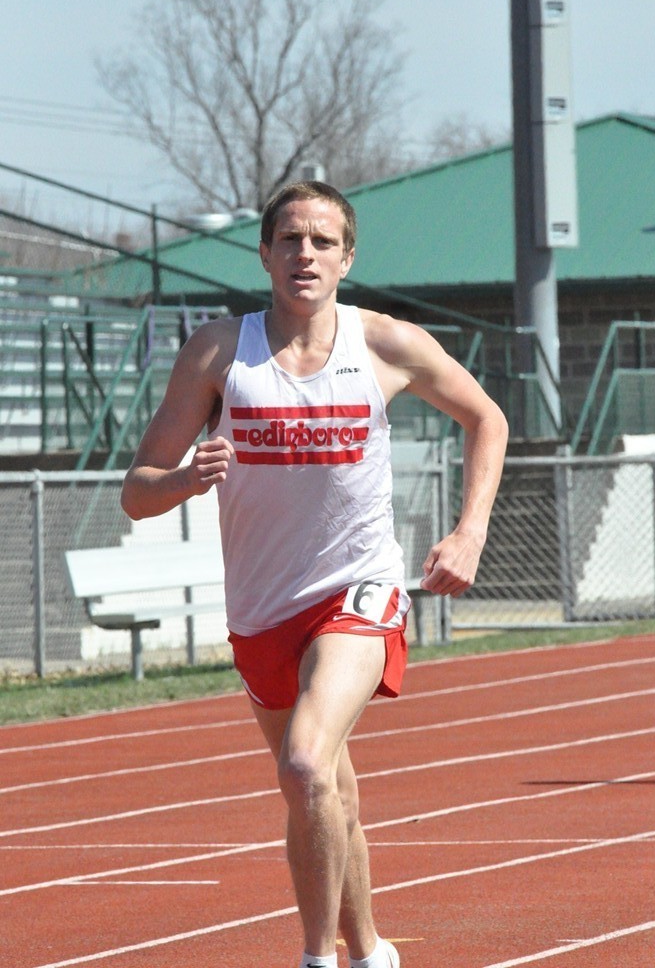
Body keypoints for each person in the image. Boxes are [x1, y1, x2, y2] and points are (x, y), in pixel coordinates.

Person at [121, 180, 508, 968]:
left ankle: (315, 958)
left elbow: (486, 418)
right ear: (264, 254)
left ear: (347, 257)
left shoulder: (386, 345)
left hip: (358, 591)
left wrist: (470, 531)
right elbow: (137, 493)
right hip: (262, 608)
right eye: (290, 240)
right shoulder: (220, 351)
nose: (305, 254)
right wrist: (187, 478)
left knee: (303, 762)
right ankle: (368, 949)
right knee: (323, 788)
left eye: (322, 241)